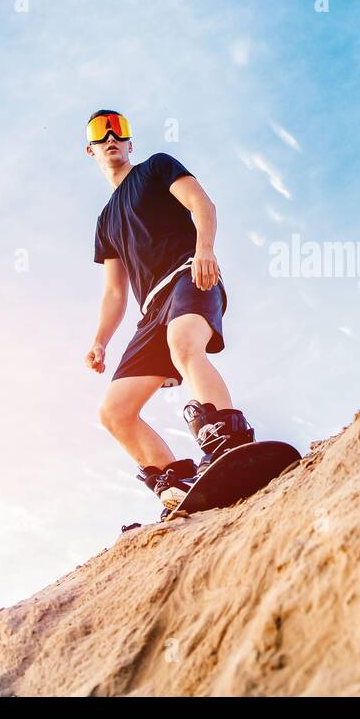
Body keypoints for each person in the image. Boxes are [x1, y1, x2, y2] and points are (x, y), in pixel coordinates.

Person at [82, 109, 255, 519]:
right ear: (89, 149)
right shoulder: (106, 222)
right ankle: (174, 480)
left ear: (129, 142)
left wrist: (205, 250)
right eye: (100, 133)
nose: (111, 137)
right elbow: (113, 290)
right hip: (150, 310)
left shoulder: (156, 167)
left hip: (189, 274)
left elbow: (201, 203)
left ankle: (228, 441)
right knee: (114, 411)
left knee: (184, 343)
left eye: (118, 130)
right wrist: (100, 340)